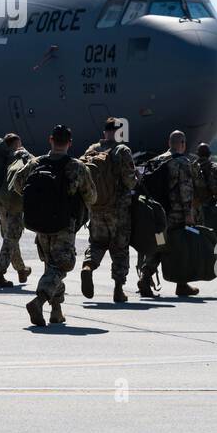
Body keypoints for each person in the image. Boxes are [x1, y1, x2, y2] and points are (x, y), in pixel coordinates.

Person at [8, 124, 97, 326]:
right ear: (69, 143)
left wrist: (41, 200)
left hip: (40, 222)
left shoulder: (36, 163)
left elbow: (16, 184)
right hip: (64, 224)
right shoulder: (75, 166)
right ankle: (39, 301)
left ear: (51, 140)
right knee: (62, 265)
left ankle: (56, 311)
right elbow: (91, 196)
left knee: (50, 265)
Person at [80, 118, 138, 303]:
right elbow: (130, 181)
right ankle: (118, 290)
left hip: (96, 207)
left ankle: (88, 266)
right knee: (119, 248)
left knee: (97, 243)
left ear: (105, 132)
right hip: (118, 210)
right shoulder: (122, 151)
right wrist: (137, 178)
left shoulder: (92, 150)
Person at [136, 131, 196, 298]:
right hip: (175, 216)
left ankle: (147, 277)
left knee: (159, 243)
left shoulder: (157, 160)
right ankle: (180, 284)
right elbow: (186, 190)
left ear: (169, 142)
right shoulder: (183, 162)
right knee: (180, 246)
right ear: (183, 144)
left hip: (156, 215)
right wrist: (189, 213)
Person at [0, 133, 33, 289]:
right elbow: (35, 162)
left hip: (2, 203)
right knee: (11, 239)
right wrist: (25, 151)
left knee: (10, 238)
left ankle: (21, 270)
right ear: (17, 143)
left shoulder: (2, 159)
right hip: (14, 204)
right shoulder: (20, 155)